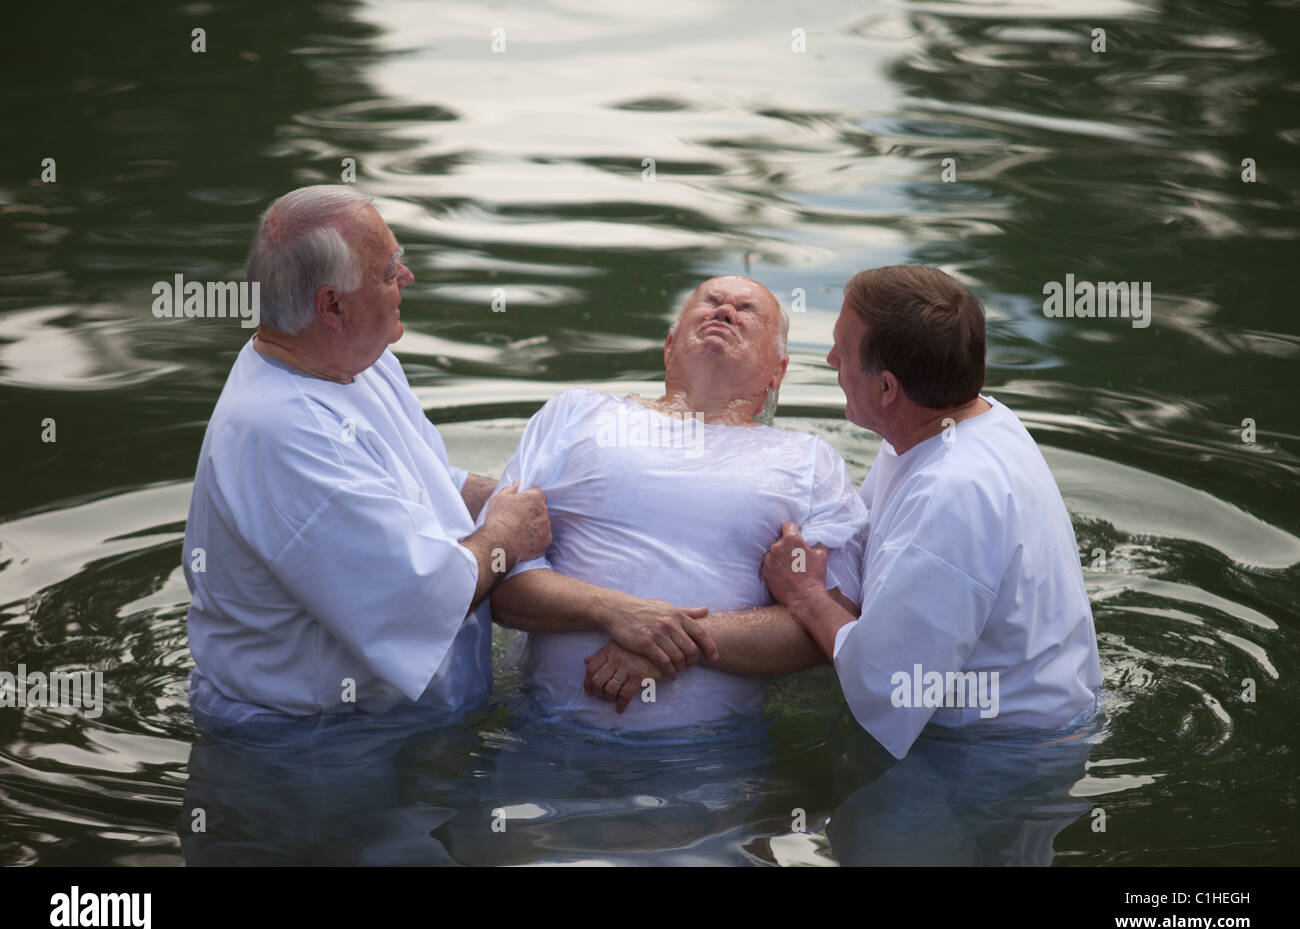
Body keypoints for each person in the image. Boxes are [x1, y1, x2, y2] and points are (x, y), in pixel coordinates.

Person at [182, 185, 550, 723]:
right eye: (388, 271)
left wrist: (528, 498)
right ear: (332, 305)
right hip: (313, 747)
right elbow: (415, 597)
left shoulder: (358, 363)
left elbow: (425, 482)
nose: (407, 278)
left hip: (385, 727)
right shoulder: (284, 430)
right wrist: (506, 535)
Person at [487, 276, 869, 730]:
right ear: (669, 346)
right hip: (537, 740)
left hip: (710, 763)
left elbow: (832, 628)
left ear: (777, 373)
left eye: (749, 311)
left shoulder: (807, 461)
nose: (725, 311)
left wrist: (671, 639)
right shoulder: (576, 415)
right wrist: (613, 611)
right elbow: (496, 573)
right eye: (710, 301)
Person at [763, 265, 1102, 759]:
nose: (832, 358)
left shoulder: (953, 491)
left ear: (887, 390)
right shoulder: (961, 423)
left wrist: (807, 594)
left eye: (843, 350)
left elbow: (890, 683)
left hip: (998, 761)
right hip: (1021, 731)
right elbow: (867, 539)